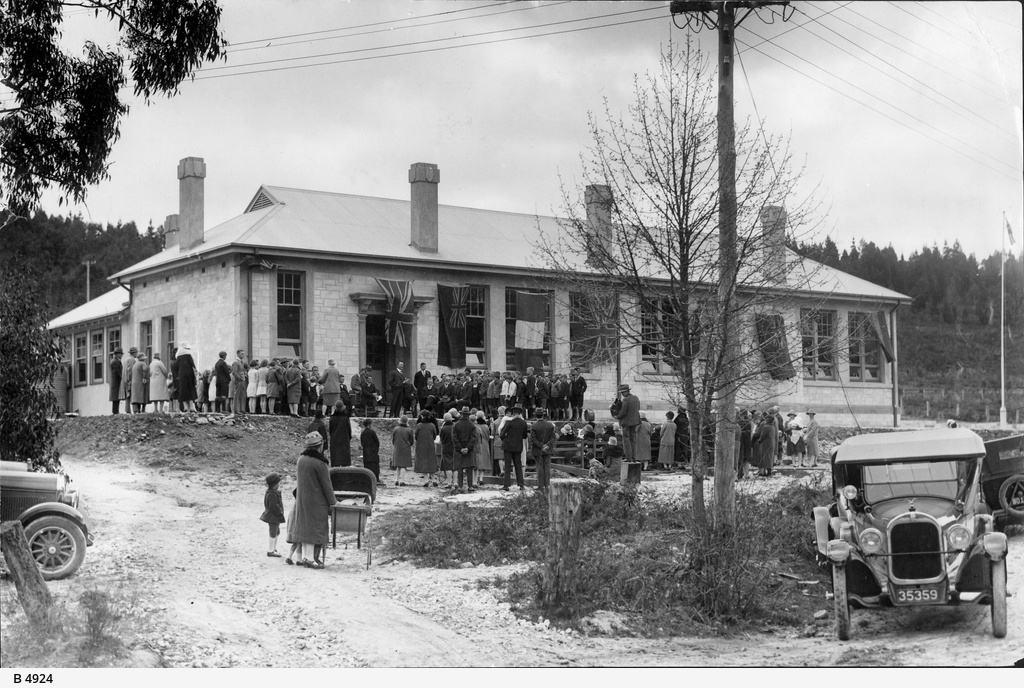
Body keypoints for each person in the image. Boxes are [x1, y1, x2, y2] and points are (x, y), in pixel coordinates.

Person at [291, 432, 337, 568]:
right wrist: (333, 502)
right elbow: (327, 486)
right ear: (320, 445)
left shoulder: (301, 459)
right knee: (314, 529)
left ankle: (306, 557)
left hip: (302, 499)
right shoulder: (320, 463)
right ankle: (310, 559)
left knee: (305, 528)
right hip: (317, 502)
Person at [499, 406, 529, 491]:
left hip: (508, 446)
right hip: (518, 447)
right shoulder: (523, 423)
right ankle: (521, 484)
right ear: (520, 414)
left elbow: (501, 434)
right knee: (518, 465)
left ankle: (506, 485)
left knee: (508, 466)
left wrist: (505, 440)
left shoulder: (509, 422)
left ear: (513, 413)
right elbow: (525, 436)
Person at [452, 406, 478, 492]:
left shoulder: (456, 425)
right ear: (468, 415)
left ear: (461, 414)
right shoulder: (472, 425)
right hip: (469, 449)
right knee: (469, 468)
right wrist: (467, 448)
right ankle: (470, 486)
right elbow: (473, 438)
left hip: (458, 449)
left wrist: (460, 448)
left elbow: (454, 438)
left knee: (460, 468)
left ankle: (460, 486)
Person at [529, 407, 556, 490]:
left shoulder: (534, 426)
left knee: (539, 467)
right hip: (548, 450)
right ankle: (547, 484)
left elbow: (533, 439)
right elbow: (553, 437)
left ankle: (540, 485)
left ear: (536, 416)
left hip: (538, 449)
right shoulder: (550, 425)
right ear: (543, 415)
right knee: (547, 467)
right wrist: (547, 445)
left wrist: (541, 446)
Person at [260, 472, 285, 558]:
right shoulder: (272, 494)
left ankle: (274, 548)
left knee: (276, 531)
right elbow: (274, 506)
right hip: (273, 516)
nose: (279, 484)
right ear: (274, 484)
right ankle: (271, 550)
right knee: (273, 531)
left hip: (273, 516)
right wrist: (280, 512)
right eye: (278, 483)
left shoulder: (271, 492)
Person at [614, 384, 641, 461]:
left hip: (626, 422)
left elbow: (623, 412)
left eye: (622, 392)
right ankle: (634, 457)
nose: (622, 394)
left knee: (626, 440)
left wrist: (617, 417)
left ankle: (628, 457)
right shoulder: (636, 398)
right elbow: (638, 408)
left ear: (626, 391)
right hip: (635, 421)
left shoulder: (626, 400)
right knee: (633, 439)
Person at [393, 415, 415, 486]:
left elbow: (393, 440)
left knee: (398, 465)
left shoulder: (395, 429)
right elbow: (411, 441)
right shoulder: (409, 430)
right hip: (405, 449)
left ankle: (396, 480)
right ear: (407, 422)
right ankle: (402, 481)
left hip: (397, 448)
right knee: (403, 466)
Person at [329, 400, 352, 467]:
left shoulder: (332, 418)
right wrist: (349, 438)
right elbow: (349, 430)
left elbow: (330, 430)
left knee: (335, 459)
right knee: (345, 461)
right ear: (342, 407)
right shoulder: (345, 418)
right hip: (344, 440)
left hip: (334, 440)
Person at [754, 411, 778, 478]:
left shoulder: (766, 427)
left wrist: (759, 441)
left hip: (765, 444)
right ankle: (768, 472)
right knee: (769, 458)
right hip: (771, 444)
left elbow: (762, 436)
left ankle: (765, 472)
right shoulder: (772, 427)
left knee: (764, 458)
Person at [175, 343, 198, 412]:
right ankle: (191, 406)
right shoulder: (188, 355)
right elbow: (193, 366)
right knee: (190, 389)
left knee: (183, 390)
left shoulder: (178, 356)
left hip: (181, 375)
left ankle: (185, 406)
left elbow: (177, 367)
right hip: (189, 374)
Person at [473, 411, 491, 487]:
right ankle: (481, 479)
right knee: (483, 461)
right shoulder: (486, 426)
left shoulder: (475, 425)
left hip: (476, 444)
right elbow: (488, 436)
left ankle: (475, 479)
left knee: (477, 462)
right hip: (484, 444)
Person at [360, 418, 381, 484]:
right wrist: (376, 449)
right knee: (375, 465)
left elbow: (362, 443)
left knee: (367, 465)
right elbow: (377, 442)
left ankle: (368, 479)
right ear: (369, 424)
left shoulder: (363, 433)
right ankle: (376, 479)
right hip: (373, 451)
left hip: (366, 451)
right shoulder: (372, 432)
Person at [439, 411, 455, 487]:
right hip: (455, 447)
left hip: (446, 448)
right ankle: (455, 482)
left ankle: (449, 482)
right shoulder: (455, 427)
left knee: (448, 466)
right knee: (455, 465)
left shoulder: (443, 428)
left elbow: (441, 439)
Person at [109, 347, 124, 414]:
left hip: (115, 381)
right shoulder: (116, 361)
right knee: (116, 397)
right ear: (117, 354)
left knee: (116, 396)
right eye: (121, 354)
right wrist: (121, 378)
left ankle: (115, 411)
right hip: (116, 381)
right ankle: (115, 411)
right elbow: (117, 372)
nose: (121, 355)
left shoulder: (114, 361)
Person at [122, 347, 137, 414]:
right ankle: (134, 410)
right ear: (134, 353)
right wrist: (130, 380)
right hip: (130, 380)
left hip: (125, 379)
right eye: (136, 352)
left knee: (127, 395)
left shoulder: (125, 359)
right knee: (132, 394)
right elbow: (130, 370)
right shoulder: (131, 360)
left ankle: (127, 409)